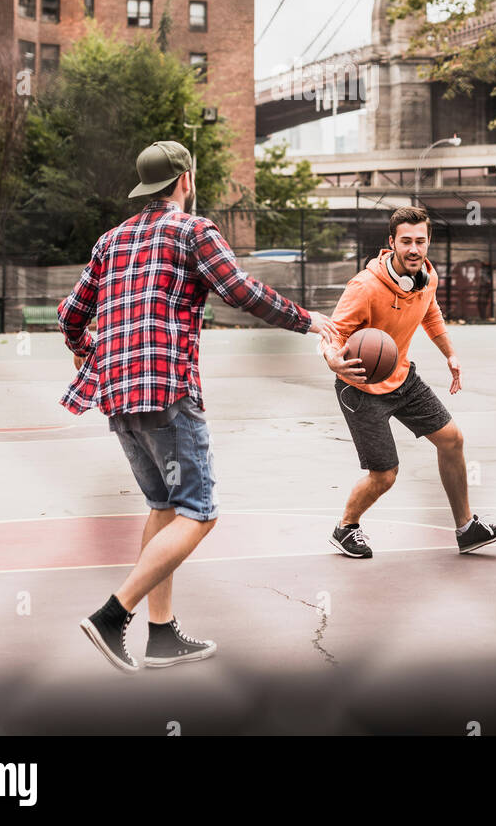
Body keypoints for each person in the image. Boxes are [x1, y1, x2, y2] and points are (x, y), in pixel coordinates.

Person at [57, 140, 341, 674]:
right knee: (199, 510)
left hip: (118, 397)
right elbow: (238, 290)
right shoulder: (194, 230)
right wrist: (306, 319)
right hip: (167, 390)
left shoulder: (110, 239)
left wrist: (86, 352)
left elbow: (72, 316)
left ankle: (161, 636)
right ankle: (112, 615)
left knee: (164, 508)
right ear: (185, 179)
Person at [322, 207, 496, 558]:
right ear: (391, 242)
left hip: (403, 378)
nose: (414, 249)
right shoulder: (364, 287)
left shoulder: (427, 277)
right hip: (361, 386)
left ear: (428, 243)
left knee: (452, 440)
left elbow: (430, 313)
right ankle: (346, 527)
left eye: (420, 241)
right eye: (406, 241)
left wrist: (450, 354)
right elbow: (335, 332)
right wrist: (333, 358)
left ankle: (466, 528)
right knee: (385, 475)